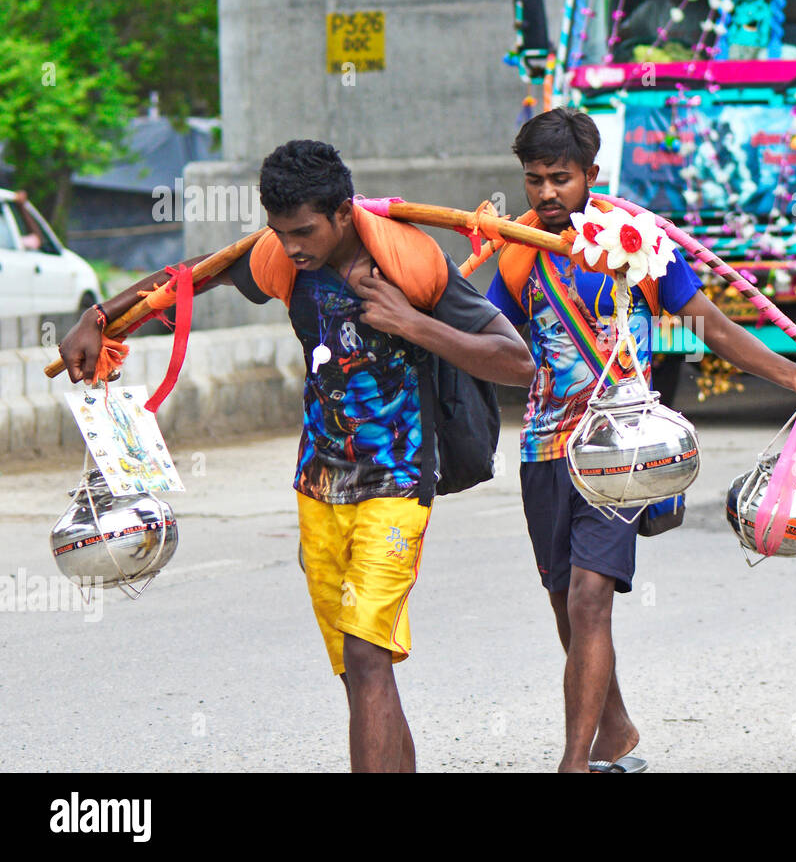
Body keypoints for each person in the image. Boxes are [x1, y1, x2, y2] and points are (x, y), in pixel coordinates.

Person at [56, 140, 535, 772]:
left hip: (397, 484)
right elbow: (200, 274)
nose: (293, 247)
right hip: (318, 487)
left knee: (368, 657)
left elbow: (516, 361)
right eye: (280, 234)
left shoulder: (411, 265)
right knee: (361, 671)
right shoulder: (286, 262)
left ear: (342, 214)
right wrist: (103, 316)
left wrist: (407, 322)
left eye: (304, 231)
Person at [487, 108, 796, 773]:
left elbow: (708, 323)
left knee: (591, 597)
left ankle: (575, 763)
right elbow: (491, 343)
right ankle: (615, 727)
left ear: (591, 175)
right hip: (543, 450)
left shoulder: (641, 242)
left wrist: (788, 373)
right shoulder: (514, 252)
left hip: (625, 450)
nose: (545, 194)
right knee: (565, 599)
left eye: (560, 179)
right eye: (534, 180)